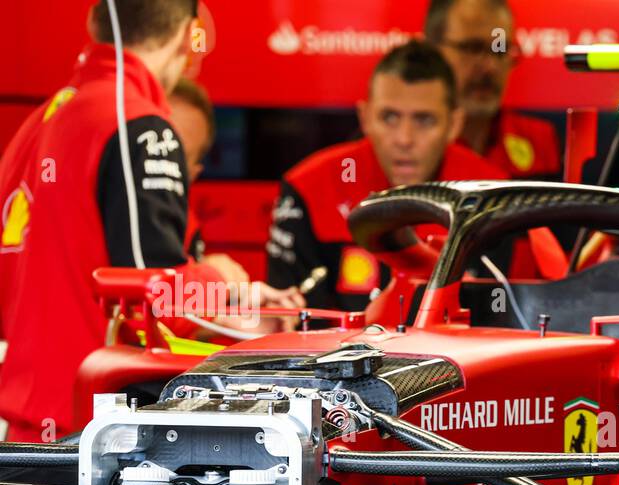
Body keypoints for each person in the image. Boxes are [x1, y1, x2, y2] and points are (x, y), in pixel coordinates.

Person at [0, 0, 301, 444]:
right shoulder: (141, 126)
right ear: (186, 36)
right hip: (95, 430)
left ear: (96, 24)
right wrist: (222, 279)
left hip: (27, 431)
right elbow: (156, 302)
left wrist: (241, 299)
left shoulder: (44, 118)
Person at [266, 39, 510, 312]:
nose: (404, 139)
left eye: (424, 120)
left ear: (454, 124)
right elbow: (288, 318)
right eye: (390, 117)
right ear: (365, 116)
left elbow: (493, 318)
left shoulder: (492, 194)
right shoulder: (309, 188)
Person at [424, 0, 560, 178]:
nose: (490, 67)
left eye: (500, 50)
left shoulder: (538, 140)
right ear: (432, 51)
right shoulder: (408, 142)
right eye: (473, 48)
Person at [167, 75, 248, 282]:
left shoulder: (186, 226)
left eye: (175, 153)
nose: (158, 157)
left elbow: (166, 306)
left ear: (193, 174)